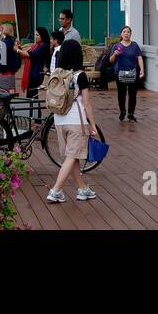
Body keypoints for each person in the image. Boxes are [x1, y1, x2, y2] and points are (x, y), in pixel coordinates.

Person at [46, 40, 99, 203]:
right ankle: (56, 190)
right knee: (72, 156)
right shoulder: (79, 75)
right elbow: (87, 103)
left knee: (72, 156)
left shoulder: (57, 72)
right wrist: (93, 124)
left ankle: (82, 189)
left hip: (59, 119)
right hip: (77, 121)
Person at [109, 25, 145, 122]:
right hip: (120, 73)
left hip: (133, 72)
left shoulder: (134, 45)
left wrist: (142, 69)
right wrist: (115, 54)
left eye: (128, 32)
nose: (126, 34)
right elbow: (111, 61)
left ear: (130, 34)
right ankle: (122, 111)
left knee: (132, 94)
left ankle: (130, 113)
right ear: (121, 34)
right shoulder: (116, 46)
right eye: (124, 32)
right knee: (121, 93)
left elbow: (139, 57)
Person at [18, 27, 51, 97]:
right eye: (35, 35)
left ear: (42, 35)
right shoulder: (37, 45)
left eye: (37, 35)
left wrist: (17, 50)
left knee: (32, 95)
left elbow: (30, 54)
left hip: (35, 74)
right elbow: (26, 54)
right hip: (33, 73)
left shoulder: (43, 46)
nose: (36, 37)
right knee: (32, 95)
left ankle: (34, 107)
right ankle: (34, 107)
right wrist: (19, 49)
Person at [0, 22, 21, 91]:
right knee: (10, 88)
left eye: (0, 30)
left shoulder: (5, 42)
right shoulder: (12, 41)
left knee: (4, 89)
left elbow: (3, 58)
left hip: (5, 70)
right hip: (11, 69)